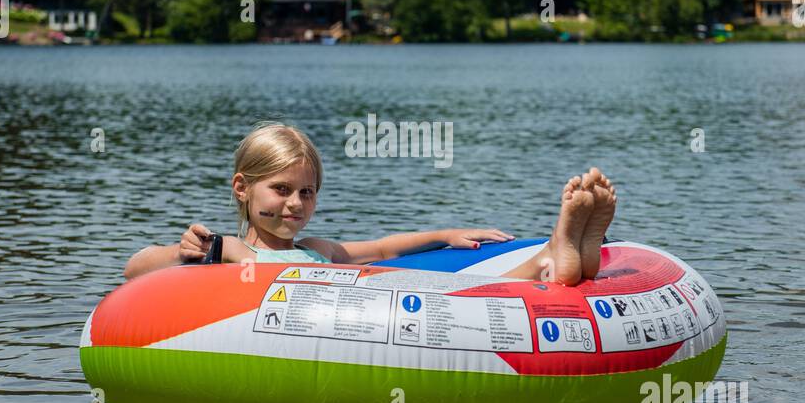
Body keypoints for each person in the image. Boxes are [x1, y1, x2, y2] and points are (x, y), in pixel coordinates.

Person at [123, 122, 615, 285]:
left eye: (307, 192)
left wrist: (444, 235)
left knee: (445, 286)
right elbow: (134, 269)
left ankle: (562, 253)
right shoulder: (230, 249)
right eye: (281, 189)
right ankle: (556, 254)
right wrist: (182, 253)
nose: (295, 204)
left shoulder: (317, 248)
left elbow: (381, 247)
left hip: (366, 306)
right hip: (323, 317)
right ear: (242, 188)